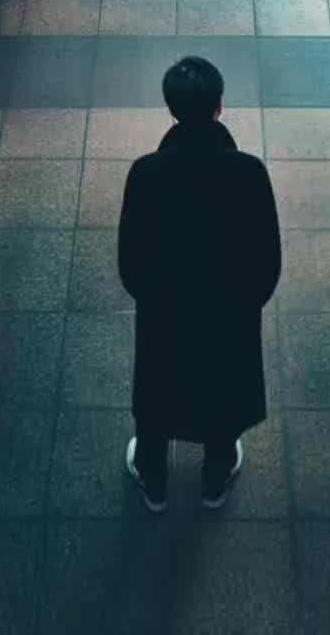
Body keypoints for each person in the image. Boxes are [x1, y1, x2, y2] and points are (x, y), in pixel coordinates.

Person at [118, 56, 282, 514]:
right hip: (229, 314)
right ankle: (215, 477)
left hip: (165, 313)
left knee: (157, 393)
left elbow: (130, 260)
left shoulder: (146, 173)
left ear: (171, 111)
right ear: (220, 107)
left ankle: (153, 478)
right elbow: (267, 259)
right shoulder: (249, 173)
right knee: (223, 391)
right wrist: (244, 303)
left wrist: (154, 299)